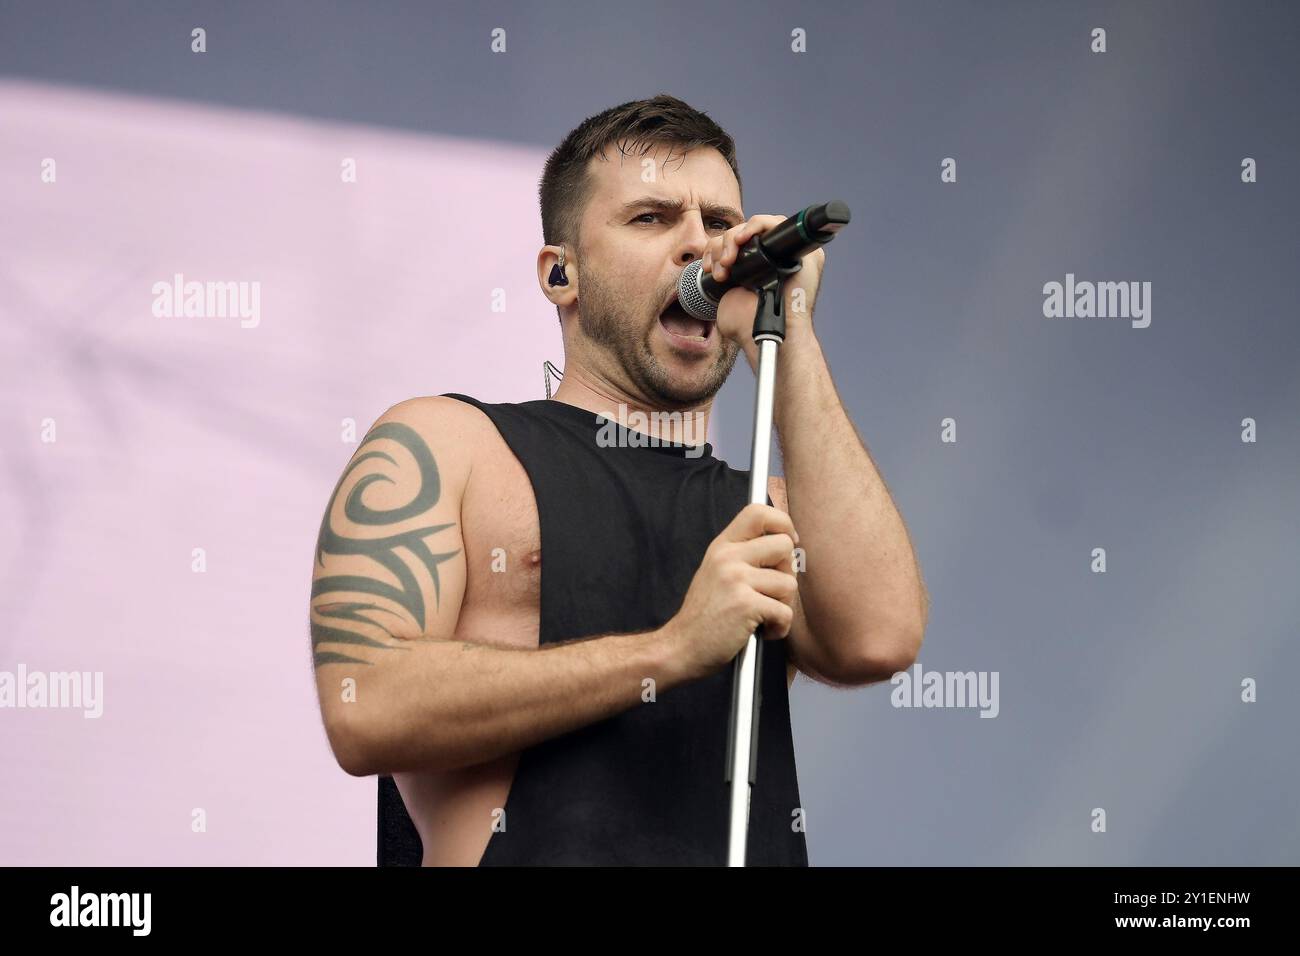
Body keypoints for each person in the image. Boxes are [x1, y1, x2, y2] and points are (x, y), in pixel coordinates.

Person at [308, 93, 929, 866]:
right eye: (651, 218)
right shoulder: (450, 442)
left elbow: (880, 639)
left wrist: (787, 330)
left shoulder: (764, 511)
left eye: (718, 222)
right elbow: (363, 706)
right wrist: (670, 651)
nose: (699, 247)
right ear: (560, 272)